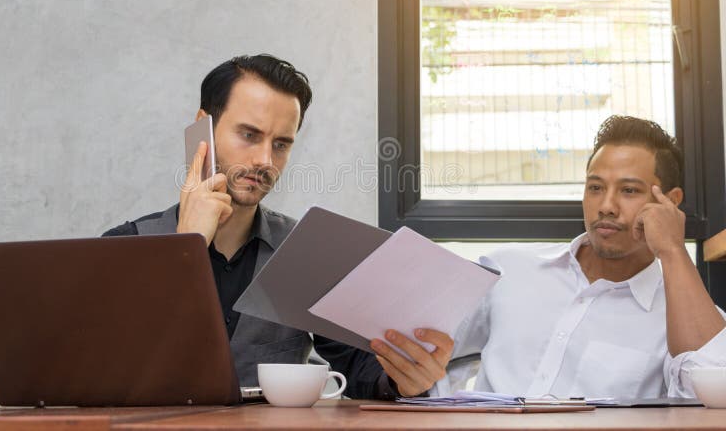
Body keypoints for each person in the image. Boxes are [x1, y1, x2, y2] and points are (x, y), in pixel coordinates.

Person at [103, 54, 453, 399]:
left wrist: (405, 377)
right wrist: (187, 248)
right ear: (203, 128)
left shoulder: (304, 253)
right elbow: (108, 370)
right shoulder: (124, 248)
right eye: (249, 135)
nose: (265, 161)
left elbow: (362, 370)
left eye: (281, 144)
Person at [432, 115, 726, 399]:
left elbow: (714, 391)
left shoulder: (685, 319)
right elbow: (415, 343)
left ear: (670, 202)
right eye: (595, 188)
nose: (606, 206)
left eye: (629, 190)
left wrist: (673, 250)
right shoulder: (506, 270)